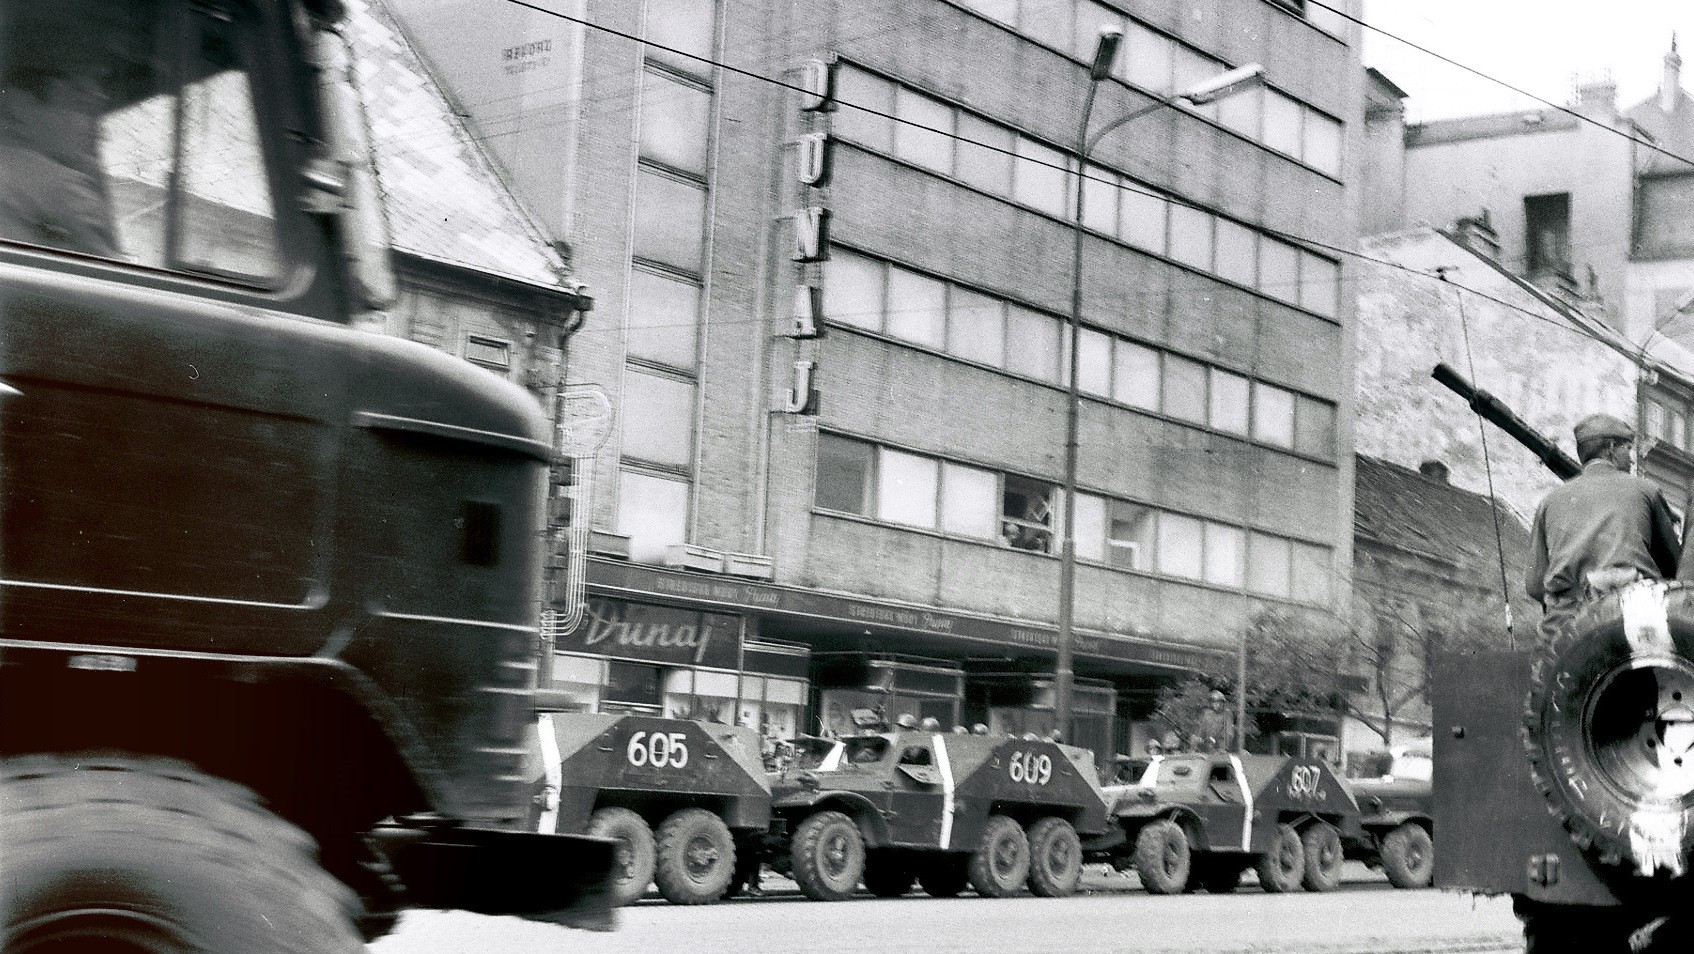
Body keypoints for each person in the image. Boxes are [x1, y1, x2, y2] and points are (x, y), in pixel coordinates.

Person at [1526, 413, 1681, 641]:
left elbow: (1534, 585)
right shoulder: (1646, 490)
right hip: (1633, 619)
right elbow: (1674, 568)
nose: (1631, 458)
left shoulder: (1549, 501)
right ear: (1611, 448)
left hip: (1566, 630)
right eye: (1628, 449)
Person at [0, 65, 119, 258]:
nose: (99, 133)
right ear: (22, 108)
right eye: (83, 109)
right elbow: (116, 276)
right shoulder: (65, 187)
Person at [1193, 689, 1236, 754]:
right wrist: (1199, 740)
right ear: (1211, 703)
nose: (1217, 705)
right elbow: (1200, 730)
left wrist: (1223, 747)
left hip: (1221, 745)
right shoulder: (1206, 714)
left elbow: (1228, 733)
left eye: (1219, 702)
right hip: (1207, 743)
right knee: (1195, 739)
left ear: (1223, 703)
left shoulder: (1227, 714)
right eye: (1215, 702)